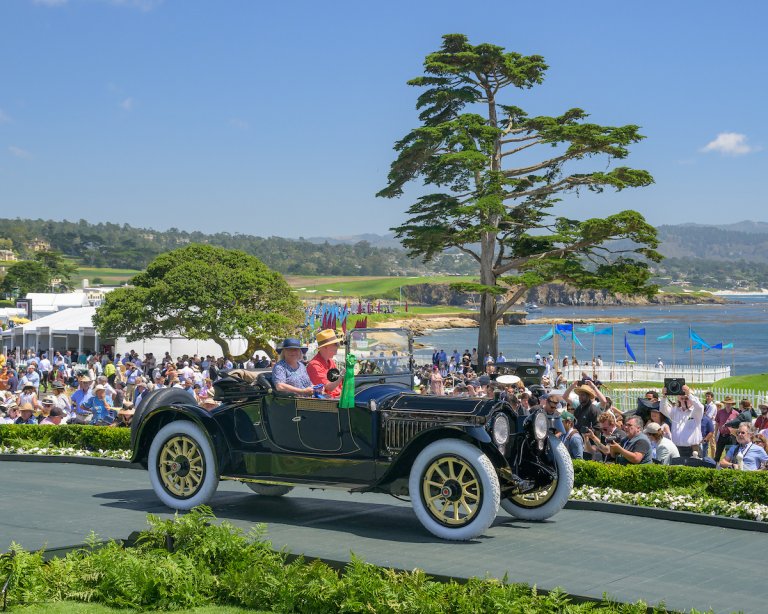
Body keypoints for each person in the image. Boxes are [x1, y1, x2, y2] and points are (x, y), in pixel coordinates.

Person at [659, 385, 704, 458]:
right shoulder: (675, 410)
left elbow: (700, 407)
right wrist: (664, 396)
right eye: (682, 398)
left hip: (693, 449)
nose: (684, 400)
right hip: (677, 448)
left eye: (686, 398)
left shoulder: (696, 412)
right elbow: (663, 409)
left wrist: (689, 394)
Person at [306, 329, 344, 398]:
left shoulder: (331, 361)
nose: (336, 353)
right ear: (324, 347)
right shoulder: (314, 365)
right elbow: (329, 387)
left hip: (338, 397)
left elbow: (339, 385)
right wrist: (342, 376)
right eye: (335, 345)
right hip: (327, 402)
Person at [714, 397, 739, 462]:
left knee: (730, 454)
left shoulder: (736, 413)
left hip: (731, 436)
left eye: (730, 404)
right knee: (717, 454)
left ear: (732, 404)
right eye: (727, 403)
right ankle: (715, 467)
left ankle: (728, 468)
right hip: (721, 435)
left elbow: (738, 425)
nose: (728, 405)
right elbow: (717, 423)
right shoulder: (720, 412)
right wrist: (715, 434)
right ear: (724, 404)